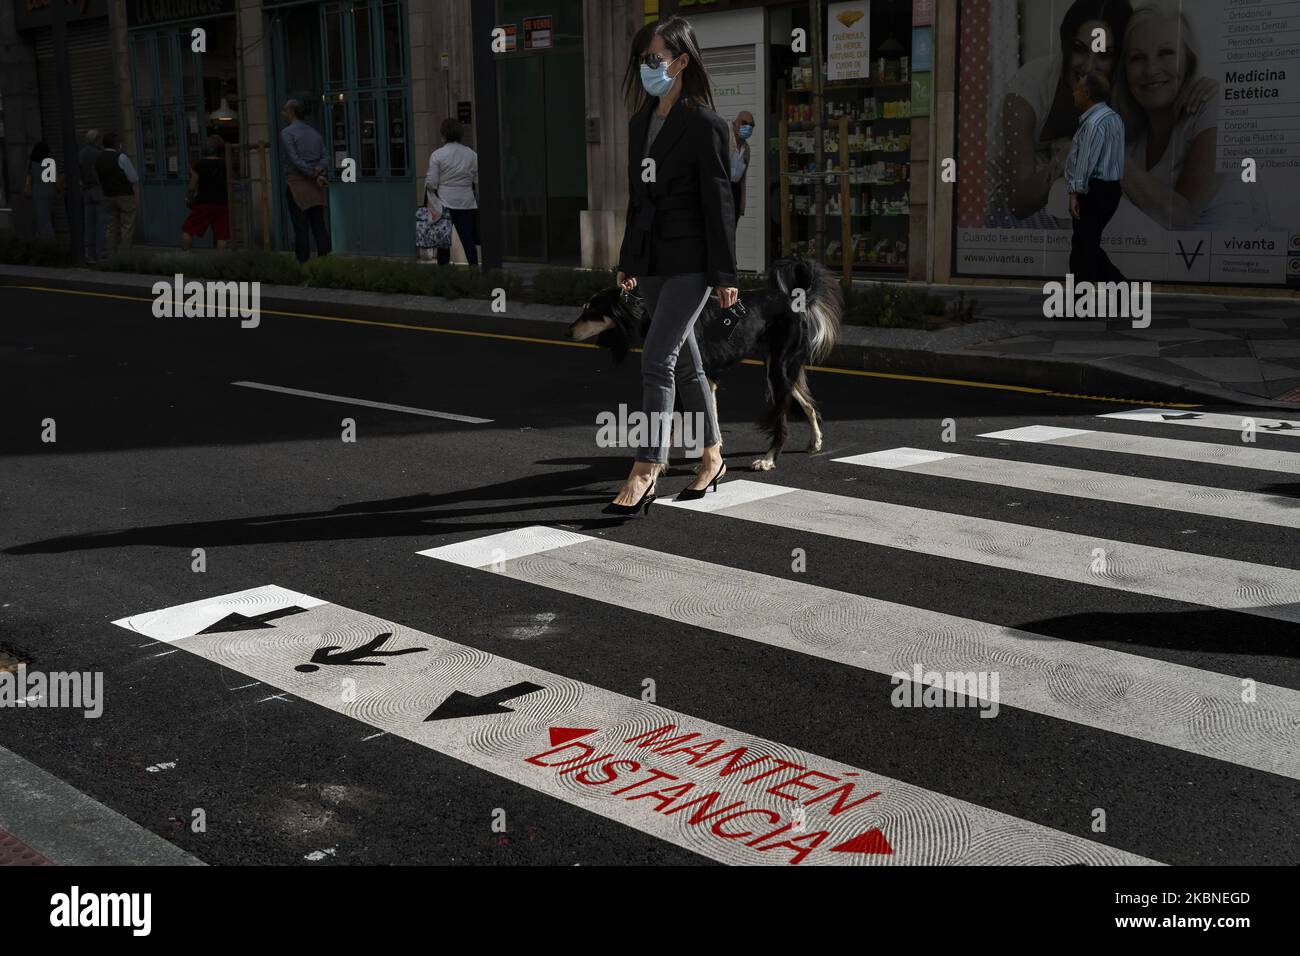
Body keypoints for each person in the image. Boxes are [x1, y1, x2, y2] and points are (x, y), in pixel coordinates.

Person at [609, 15, 738, 515]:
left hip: (692, 262)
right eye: (643, 59)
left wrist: (725, 275)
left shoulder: (705, 124)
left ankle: (647, 466)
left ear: (682, 61)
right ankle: (712, 457)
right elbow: (638, 200)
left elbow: (719, 204)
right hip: (653, 260)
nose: (647, 67)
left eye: (656, 59)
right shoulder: (639, 123)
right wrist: (628, 259)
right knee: (687, 364)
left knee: (656, 358)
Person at [1113, 1, 1239, 230]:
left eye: (1166, 53)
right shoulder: (1131, 139)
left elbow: (1183, 218)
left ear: (1188, 60)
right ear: (1124, 70)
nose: (1151, 69)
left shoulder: (1213, 106)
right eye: (1137, 58)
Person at [1066, 73, 1126, 283]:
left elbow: (1085, 162)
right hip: (1111, 191)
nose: (1073, 93)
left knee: (1084, 248)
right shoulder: (1115, 118)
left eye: (1077, 89)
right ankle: (1120, 293)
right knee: (1085, 246)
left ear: (1087, 93)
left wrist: (1074, 193)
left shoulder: (1092, 123)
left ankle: (1120, 290)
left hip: (1093, 191)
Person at [279, 99, 331, 262]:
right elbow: (326, 156)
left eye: (285, 110)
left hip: (297, 183)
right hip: (315, 185)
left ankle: (303, 264)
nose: (283, 113)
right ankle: (326, 262)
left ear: (291, 112)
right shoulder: (314, 132)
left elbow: (295, 160)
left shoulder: (287, 133)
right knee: (319, 226)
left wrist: (312, 172)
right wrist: (319, 170)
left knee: (300, 228)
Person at [425, 118, 479, 266]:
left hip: (444, 203)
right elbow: (477, 179)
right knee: (468, 239)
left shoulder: (438, 155)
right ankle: (474, 270)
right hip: (466, 202)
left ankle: (445, 274)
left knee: (443, 242)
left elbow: (432, 182)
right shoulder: (471, 154)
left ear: (443, 134)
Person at [181, 135, 230, 251]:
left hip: (204, 203)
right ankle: (220, 263)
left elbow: (192, 186)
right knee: (221, 236)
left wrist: (188, 198)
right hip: (222, 204)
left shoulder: (199, 165)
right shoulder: (226, 164)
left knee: (187, 230)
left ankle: (184, 259)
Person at [95, 133, 139, 257]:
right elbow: (133, 178)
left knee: (111, 226)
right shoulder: (121, 157)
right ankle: (125, 256)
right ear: (115, 144)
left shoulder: (98, 158)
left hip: (108, 195)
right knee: (127, 226)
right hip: (124, 195)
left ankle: (111, 255)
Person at [78, 130, 107, 263]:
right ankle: (100, 254)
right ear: (96, 140)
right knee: (100, 224)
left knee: (89, 224)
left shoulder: (81, 153)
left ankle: (89, 255)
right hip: (98, 189)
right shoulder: (100, 154)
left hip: (86, 191)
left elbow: (77, 172)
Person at [24, 142, 62, 240]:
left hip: (37, 190)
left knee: (41, 215)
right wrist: (60, 191)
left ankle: (43, 237)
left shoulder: (31, 162)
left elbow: (28, 179)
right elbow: (56, 179)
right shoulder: (50, 162)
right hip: (48, 189)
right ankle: (48, 237)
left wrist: (28, 189)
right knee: (47, 215)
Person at [729, 111, 754, 223]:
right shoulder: (725, 140)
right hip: (722, 190)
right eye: (744, 123)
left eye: (751, 125)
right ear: (735, 124)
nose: (748, 127)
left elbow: (743, 180)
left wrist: (741, 205)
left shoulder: (746, 150)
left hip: (735, 192)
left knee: (731, 231)